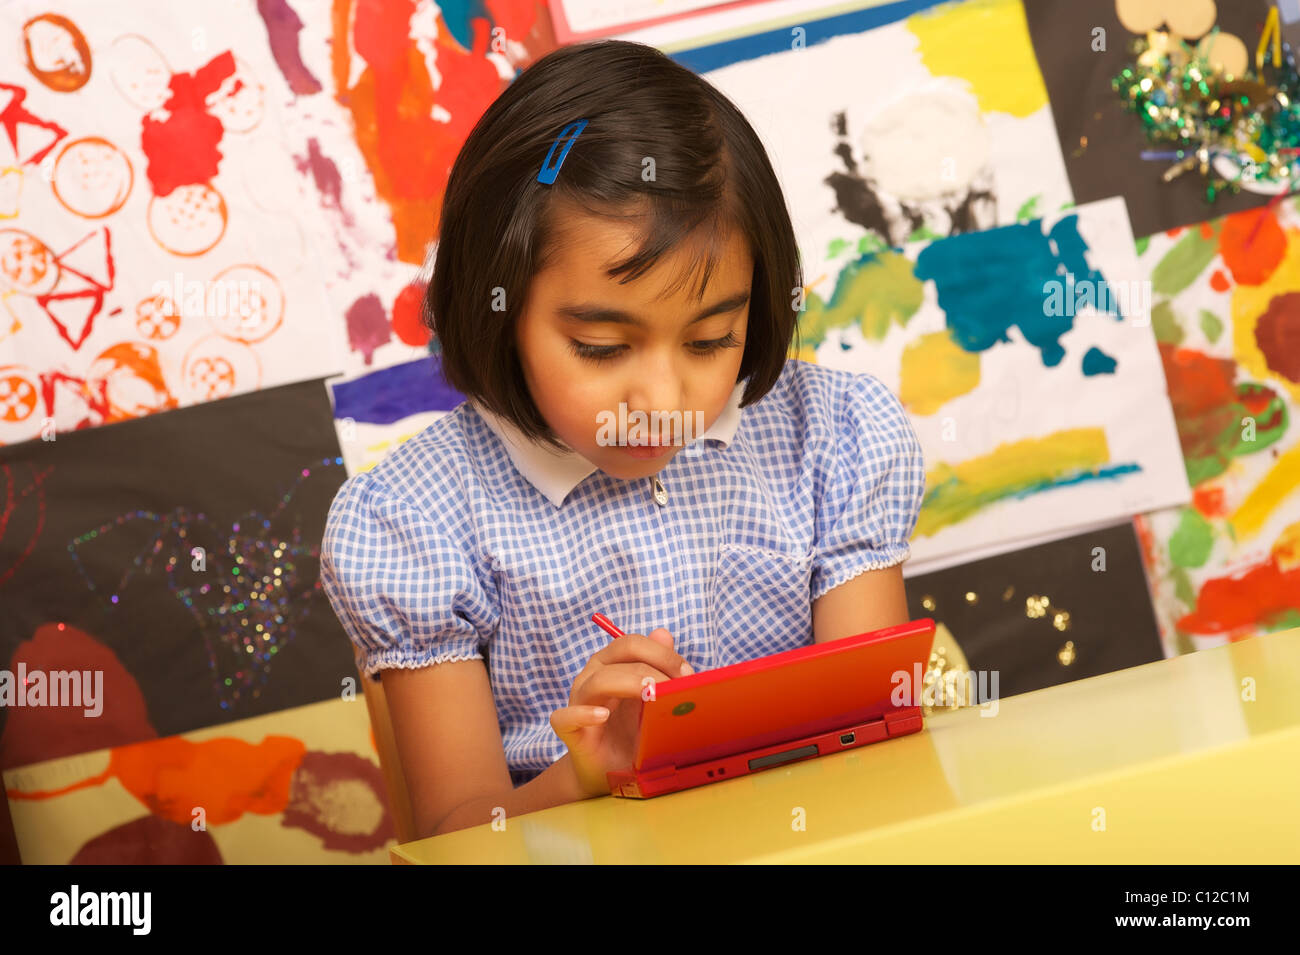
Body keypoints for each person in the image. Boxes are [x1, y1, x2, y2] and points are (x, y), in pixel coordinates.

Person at [320, 39, 926, 838]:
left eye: (712, 340)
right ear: (498, 308)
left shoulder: (832, 439)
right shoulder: (418, 518)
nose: (664, 400)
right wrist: (588, 767)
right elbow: (460, 838)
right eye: (603, 349)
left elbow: (877, 744)